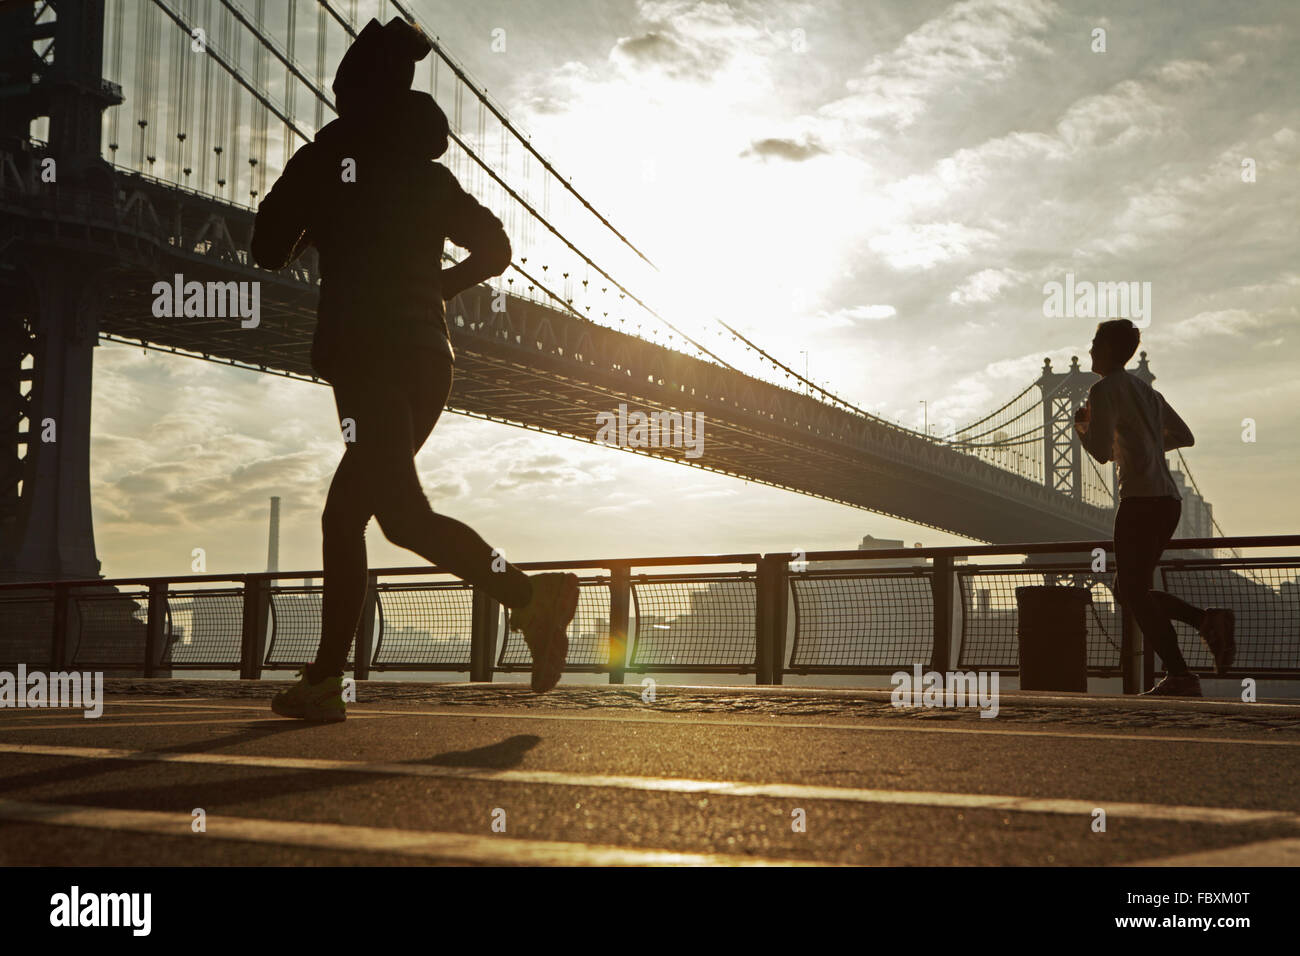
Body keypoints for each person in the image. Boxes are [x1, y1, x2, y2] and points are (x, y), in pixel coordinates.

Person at [250, 19, 577, 721]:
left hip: (367, 354)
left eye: (342, 92)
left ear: (354, 94)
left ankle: (529, 598)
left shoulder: (331, 156)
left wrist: (313, 212)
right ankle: (326, 679)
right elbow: (494, 248)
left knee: (395, 516)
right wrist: (439, 289)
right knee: (355, 518)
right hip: (430, 358)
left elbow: (265, 249)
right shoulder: (429, 176)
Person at [1075, 319, 1234, 697]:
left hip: (1140, 501)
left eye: (1096, 343)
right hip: (1168, 503)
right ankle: (1201, 629)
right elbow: (1185, 436)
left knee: (1132, 590)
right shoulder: (1146, 392)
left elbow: (1098, 452)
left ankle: (1184, 669)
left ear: (1109, 349)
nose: (1091, 349)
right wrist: (1143, 444)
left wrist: (1081, 426)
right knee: (1130, 589)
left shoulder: (1102, 391)